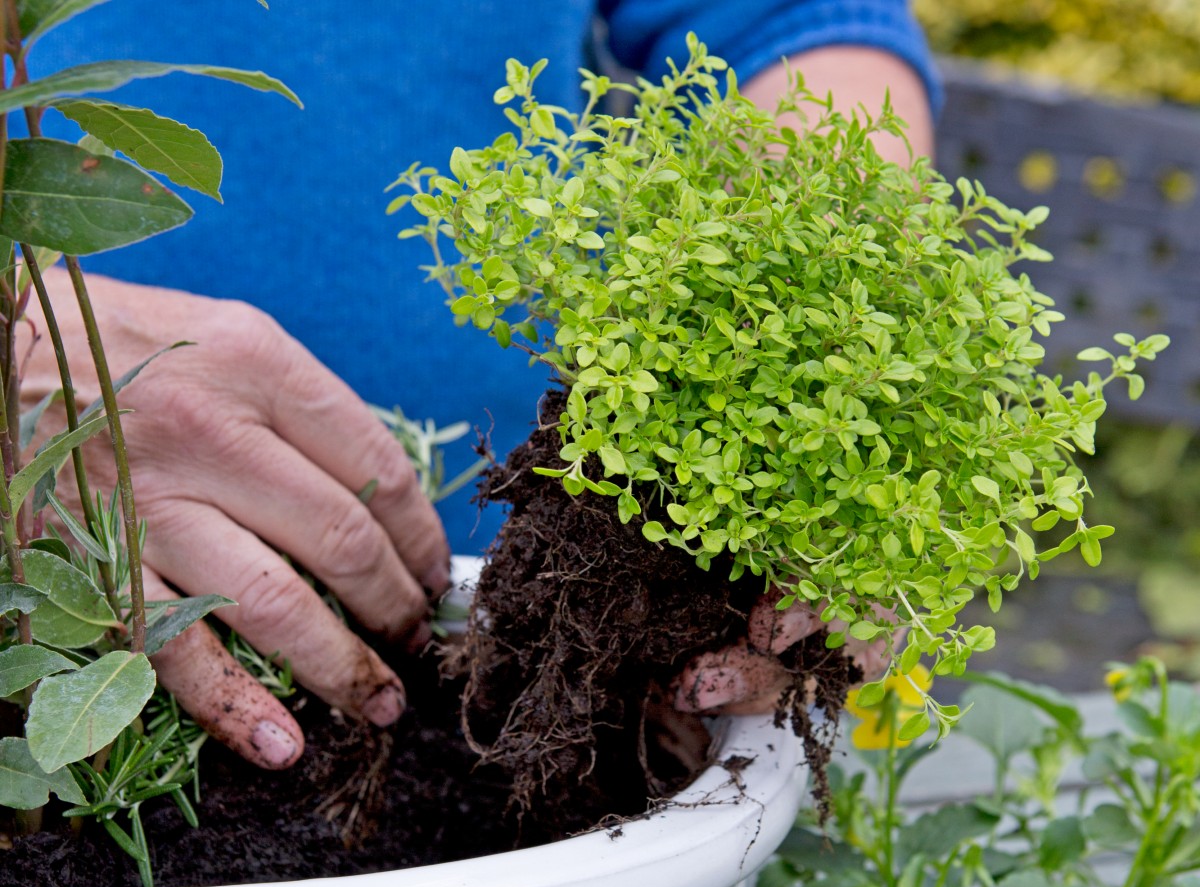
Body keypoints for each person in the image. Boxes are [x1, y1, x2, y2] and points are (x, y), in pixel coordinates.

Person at [24, 1, 938, 770]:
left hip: (571, 639)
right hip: (64, 621)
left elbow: (796, 30)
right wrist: (27, 351)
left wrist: (823, 348)